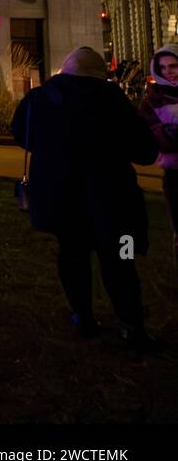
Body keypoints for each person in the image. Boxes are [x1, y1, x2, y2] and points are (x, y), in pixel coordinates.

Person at [13, 47, 160, 353]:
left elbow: (21, 135)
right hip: (109, 196)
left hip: (60, 197)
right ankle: (131, 326)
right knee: (118, 262)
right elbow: (145, 151)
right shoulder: (111, 99)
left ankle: (83, 316)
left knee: (72, 253)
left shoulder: (40, 98)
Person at [138, 44, 178, 275]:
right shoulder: (153, 101)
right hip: (174, 173)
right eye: (163, 68)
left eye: (173, 66)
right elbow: (156, 138)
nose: (169, 71)